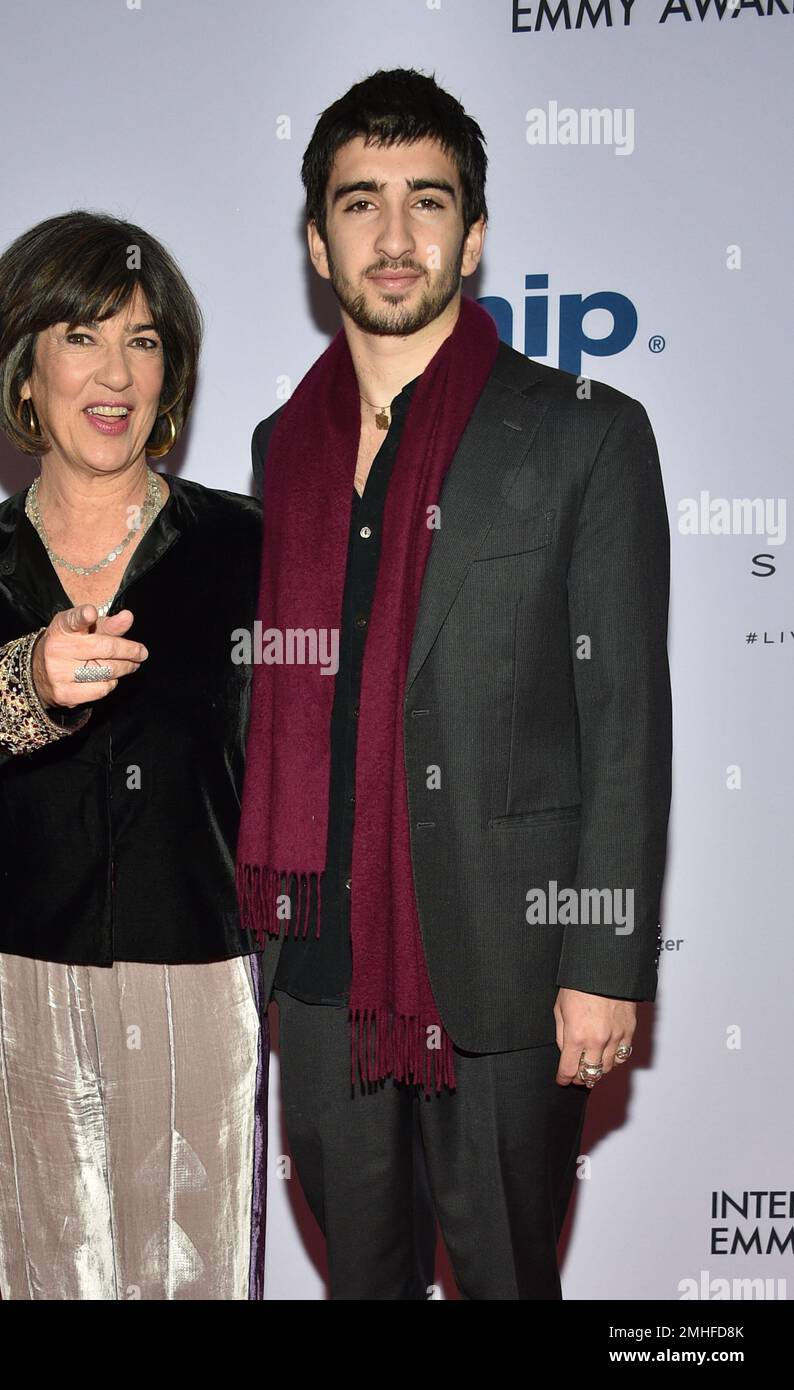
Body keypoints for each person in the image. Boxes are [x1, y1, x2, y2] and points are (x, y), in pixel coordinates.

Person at [236, 68, 672, 1300]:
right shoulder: (281, 448)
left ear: (472, 237)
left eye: (426, 201)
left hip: (507, 963)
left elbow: (625, 720)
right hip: (320, 968)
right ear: (318, 241)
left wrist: (601, 962)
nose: (392, 235)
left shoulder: (586, 429)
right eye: (358, 203)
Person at [0, 210, 267, 1300]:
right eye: (81, 336)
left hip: (198, 964)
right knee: (51, 1282)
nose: (114, 372)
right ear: (23, 368)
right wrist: (29, 686)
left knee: (196, 1285)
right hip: (15, 972)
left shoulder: (248, 546)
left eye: (142, 341)